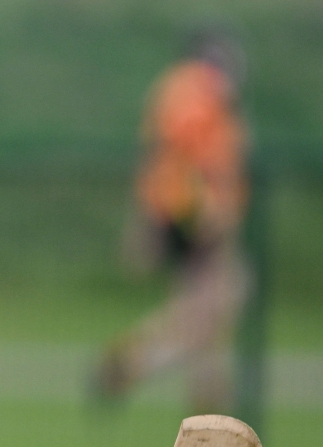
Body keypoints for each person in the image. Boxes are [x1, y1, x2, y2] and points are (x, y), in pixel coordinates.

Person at [94, 30, 250, 413]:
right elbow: (192, 156)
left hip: (178, 209)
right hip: (195, 212)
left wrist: (146, 218)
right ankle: (141, 359)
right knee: (220, 300)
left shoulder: (173, 88)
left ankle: (202, 407)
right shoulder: (201, 89)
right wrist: (212, 206)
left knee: (208, 314)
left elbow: (158, 153)